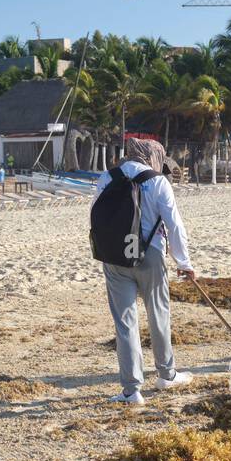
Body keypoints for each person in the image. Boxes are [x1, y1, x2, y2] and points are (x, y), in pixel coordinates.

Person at [91, 138, 194, 404]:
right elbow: (175, 226)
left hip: (114, 257)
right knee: (158, 314)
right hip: (150, 256)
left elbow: (95, 215)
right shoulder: (158, 181)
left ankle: (131, 390)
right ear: (153, 156)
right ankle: (166, 375)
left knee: (125, 323)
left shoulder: (107, 177)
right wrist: (184, 263)